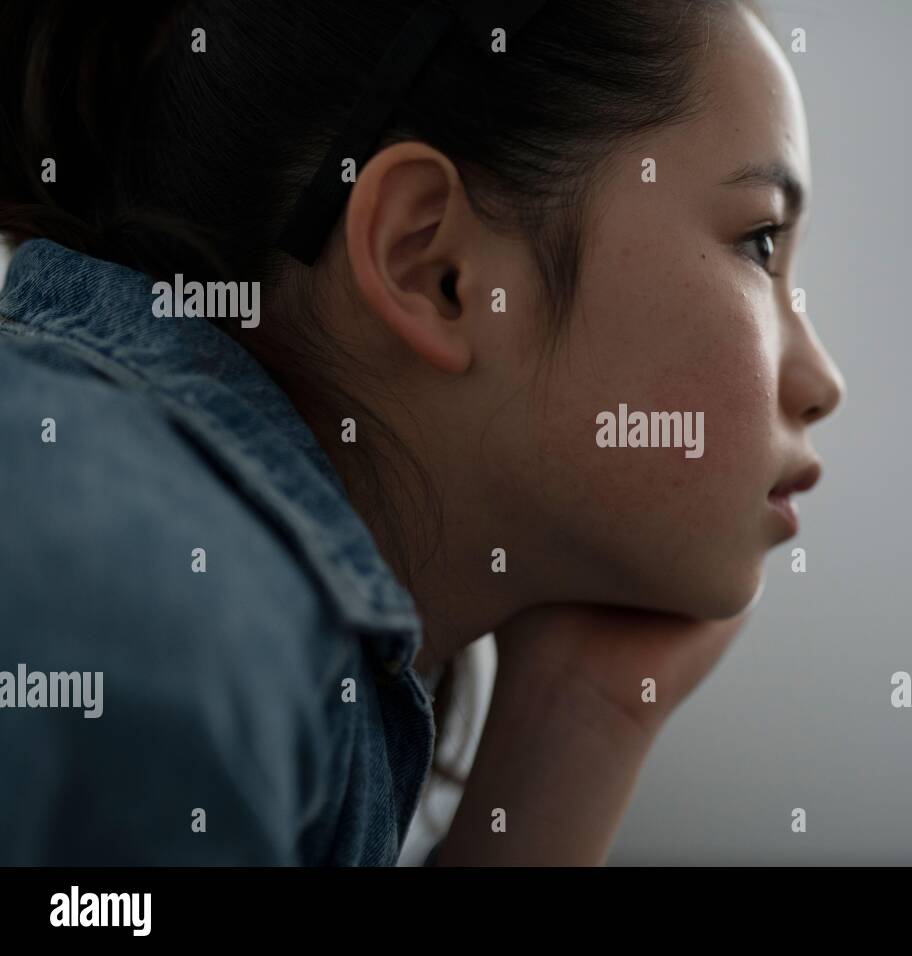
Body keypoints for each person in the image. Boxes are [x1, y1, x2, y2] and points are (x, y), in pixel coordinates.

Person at [0, 0, 843, 865]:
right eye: (760, 242)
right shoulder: (163, 650)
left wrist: (585, 724)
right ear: (433, 267)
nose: (824, 382)